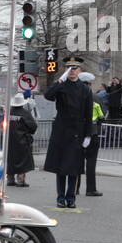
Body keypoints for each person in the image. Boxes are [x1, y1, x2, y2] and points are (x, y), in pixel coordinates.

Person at [42, 56, 94, 208]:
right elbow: (48, 96)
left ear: (80, 70)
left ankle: (71, 197)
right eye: (69, 68)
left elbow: (88, 113)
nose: (72, 71)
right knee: (60, 167)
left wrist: (88, 134)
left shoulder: (85, 89)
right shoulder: (61, 86)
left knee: (73, 167)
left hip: (77, 131)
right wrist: (59, 81)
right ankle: (60, 197)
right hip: (61, 130)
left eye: (75, 68)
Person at [79, 72, 105, 196]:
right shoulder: (96, 97)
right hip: (93, 133)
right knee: (91, 161)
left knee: (76, 161)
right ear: (89, 84)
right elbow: (103, 115)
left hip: (78, 133)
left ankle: (75, 188)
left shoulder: (74, 96)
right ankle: (90, 188)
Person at [5, 94, 38, 187]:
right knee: (22, 160)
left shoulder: (8, 113)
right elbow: (33, 126)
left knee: (10, 159)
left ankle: (10, 179)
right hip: (22, 140)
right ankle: (20, 180)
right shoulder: (25, 113)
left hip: (9, 140)